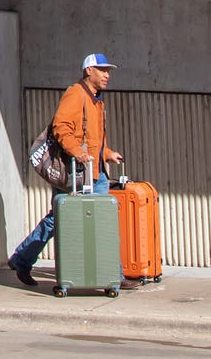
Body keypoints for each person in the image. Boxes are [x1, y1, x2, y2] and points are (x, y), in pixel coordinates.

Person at [8, 52, 125, 286]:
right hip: (77, 174)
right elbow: (62, 128)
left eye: (108, 71)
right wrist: (77, 152)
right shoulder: (75, 94)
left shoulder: (96, 99)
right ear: (88, 71)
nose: (107, 75)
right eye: (102, 70)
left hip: (96, 173)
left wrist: (107, 153)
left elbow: (92, 139)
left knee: (101, 223)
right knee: (58, 219)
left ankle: (115, 276)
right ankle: (22, 259)